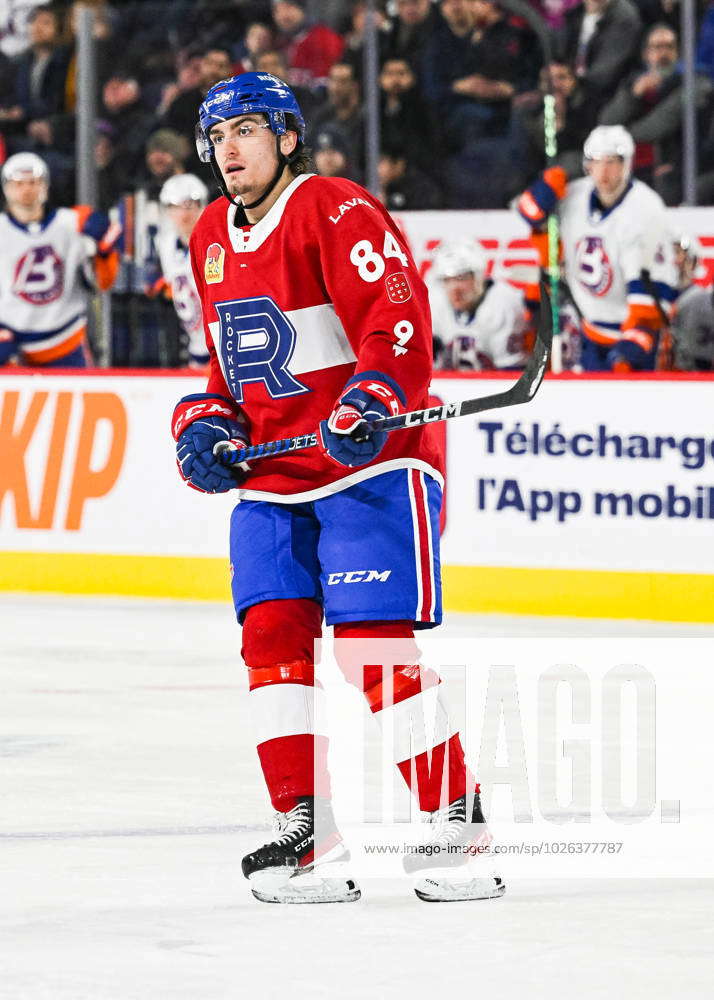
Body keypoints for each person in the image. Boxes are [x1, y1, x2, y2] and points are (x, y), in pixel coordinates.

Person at [171, 72, 504, 905]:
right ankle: (306, 828)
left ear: (287, 137)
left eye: (247, 130)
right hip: (276, 473)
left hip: (371, 462)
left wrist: (372, 397)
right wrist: (206, 425)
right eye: (218, 137)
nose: (229, 150)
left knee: (369, 644)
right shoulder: (210, 234)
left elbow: (398, 324)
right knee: (270, 636)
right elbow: (231, 368)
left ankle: (456, 819)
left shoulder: (336, 206)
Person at [517, 125, 677, 371]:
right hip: (589, 332)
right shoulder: (575, 196)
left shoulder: (645, 209)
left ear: (627, 164)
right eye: (596, 161)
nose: (603, 171)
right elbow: (531, 216)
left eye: (612, 162)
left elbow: (650, 285)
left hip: (635, 336)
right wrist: (544, 191)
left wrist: (634, 345)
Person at [0, 151, 119, 366]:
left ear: (45, 185)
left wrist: (104, 252)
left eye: (33, 182)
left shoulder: (73, 222)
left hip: (66, 341)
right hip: (11, 342)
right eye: (19, 183)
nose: (26, 189)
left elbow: (103, 281)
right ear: (6, 188)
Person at [430, 242, 528, 369]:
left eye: (461, 278)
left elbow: (512, 373)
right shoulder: (436, 302)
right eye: (447, 280)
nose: (454, 288)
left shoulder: (502, 304)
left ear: (479, 276)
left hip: (495, 379)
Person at [157, 173, 210, 368]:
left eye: (189, 205)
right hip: (196, 345)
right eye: (175, 206)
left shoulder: (214, 242)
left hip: (221, 344)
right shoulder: (165, 244)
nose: (183, 214)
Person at [670, 233, 714, 372]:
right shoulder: (650, 295)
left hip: (688, 369)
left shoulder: (702, 299)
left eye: (678, 253)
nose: (674, 260)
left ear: (693, 261)